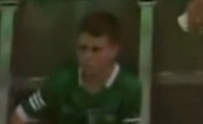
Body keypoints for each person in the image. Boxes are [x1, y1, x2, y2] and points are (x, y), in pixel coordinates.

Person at [11, 10, 143, 124]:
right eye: (82, 48)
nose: (87, 56)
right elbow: (21, 114)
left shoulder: (129, 88)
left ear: (114, 49)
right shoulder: (61, 81)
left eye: (96, 50)